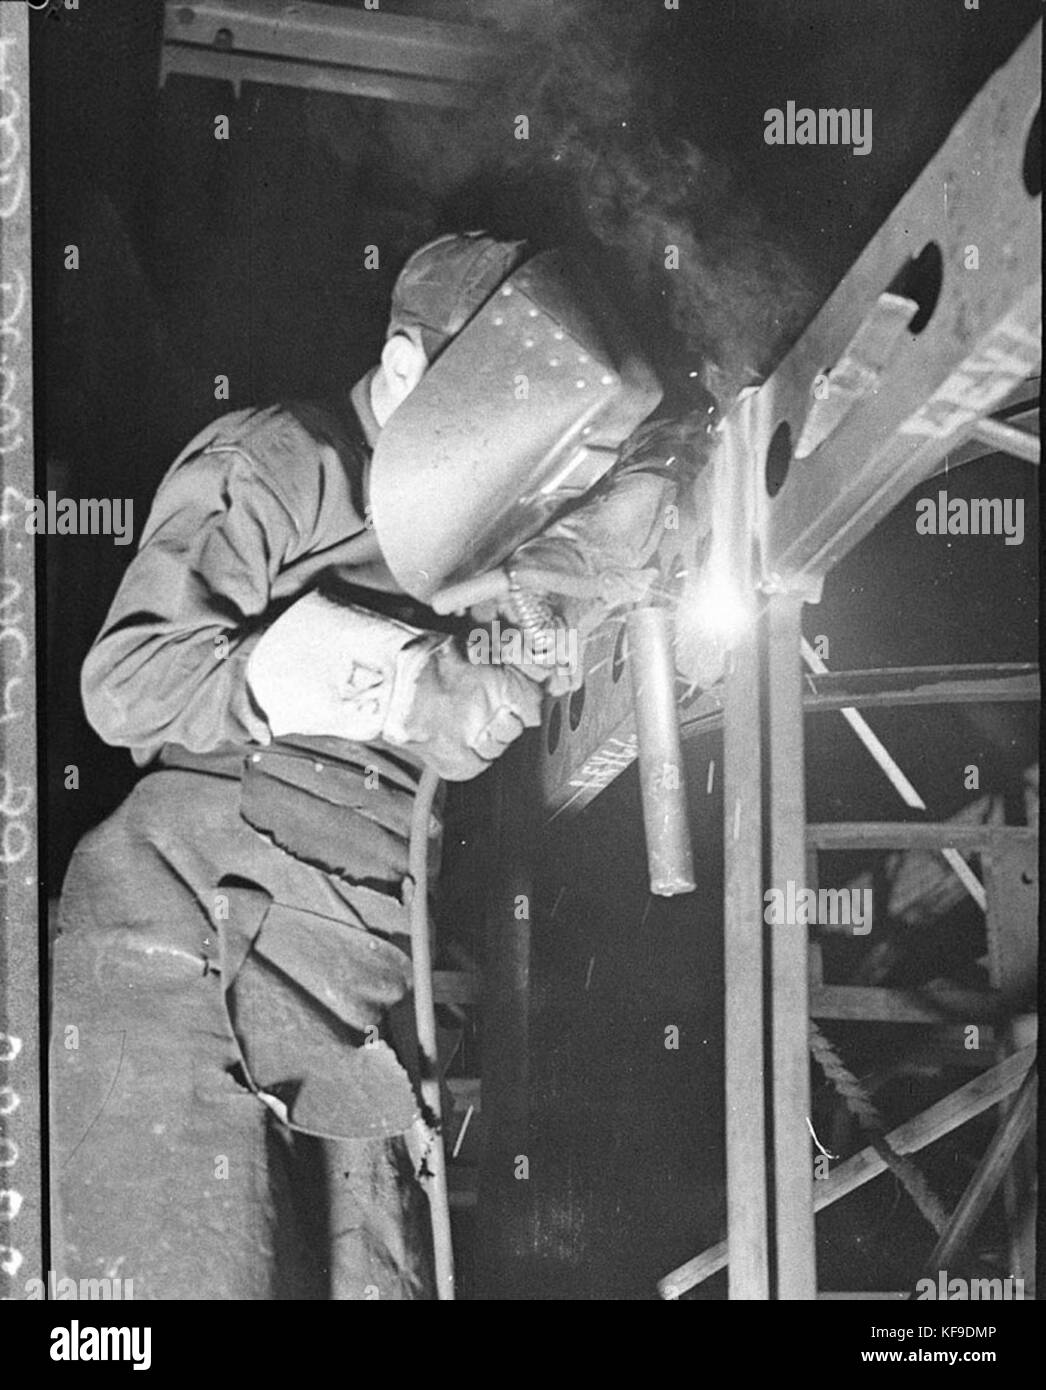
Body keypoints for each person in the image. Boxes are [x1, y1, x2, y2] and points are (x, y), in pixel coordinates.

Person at [50, 232, 684, 1300]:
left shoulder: (479, 537)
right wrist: (400, 683)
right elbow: (128, 681)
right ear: (402, 371)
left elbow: (568, 586)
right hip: (185, 937)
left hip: (346, 973)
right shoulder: (279, 461)